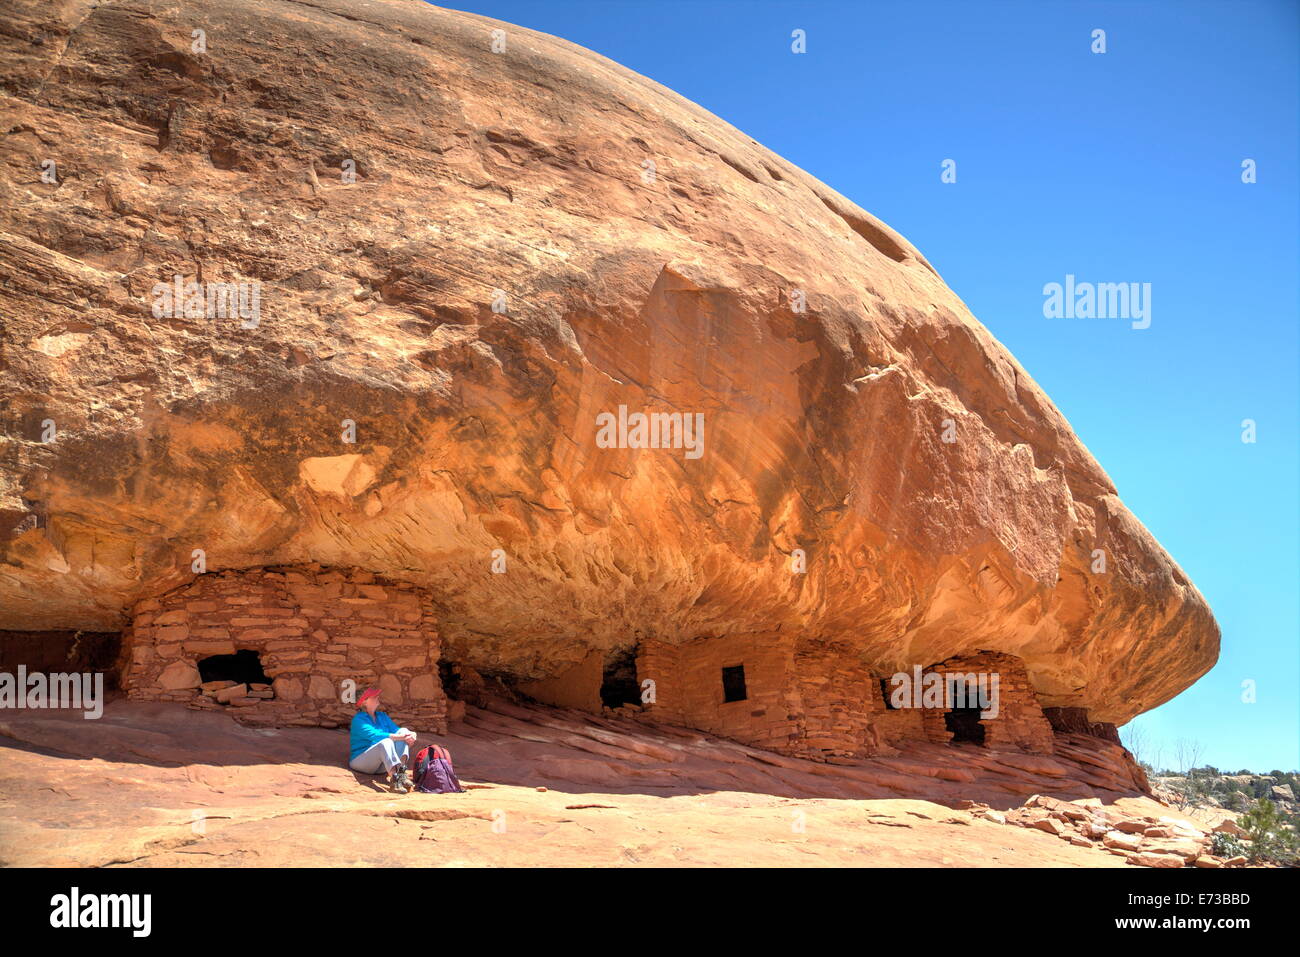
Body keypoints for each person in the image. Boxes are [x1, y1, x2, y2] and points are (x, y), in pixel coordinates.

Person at [349, 687, 417, 793]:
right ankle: (395, 781)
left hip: (382, 764)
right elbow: (376, 736)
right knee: (386, 741)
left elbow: (397, 730)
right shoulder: (359, 720)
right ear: (364, 701)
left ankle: (401, 773)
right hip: (362, 762)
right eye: (374, 696)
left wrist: (411, 734)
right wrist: (404, 736)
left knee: (403, 731)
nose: (378, 697)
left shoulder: (382, 716)